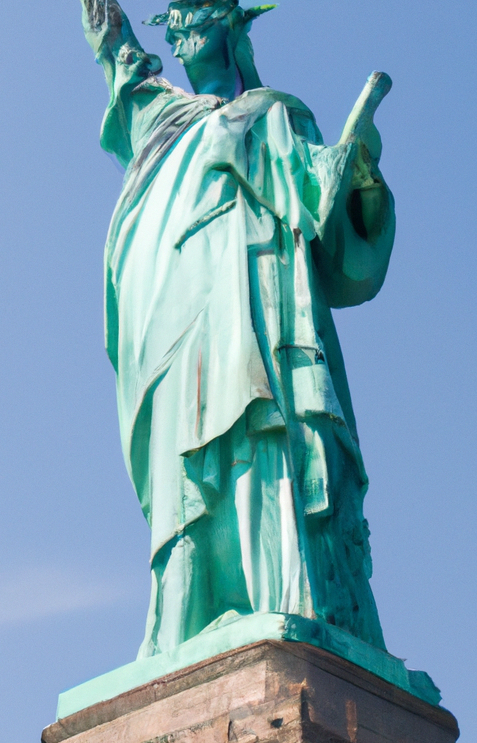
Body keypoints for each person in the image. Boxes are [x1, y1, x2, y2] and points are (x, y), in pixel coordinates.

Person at [81, 0, 396, 657]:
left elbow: (335, 229)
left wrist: (358, 165)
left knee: (261, 431)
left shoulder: (277, 115)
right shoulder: (165, 120)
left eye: (195, 10)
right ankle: (187, 619)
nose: (181, 27)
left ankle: (284, 598)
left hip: (263, 303)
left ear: (230, 19)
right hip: (176, 323)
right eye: (172, 17)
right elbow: (119, 55)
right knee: (187, 465)